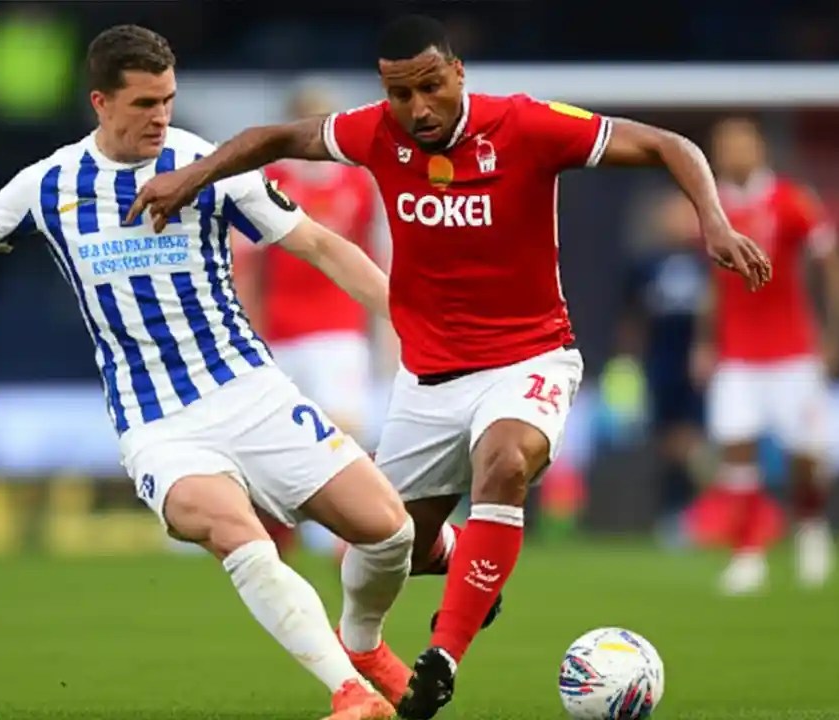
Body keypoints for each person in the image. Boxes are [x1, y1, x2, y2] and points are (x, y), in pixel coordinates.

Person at [125, 16, 771, 719]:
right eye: (401, 94)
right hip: (427, 381)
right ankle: (374, 633)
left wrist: (712, 218)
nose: (419, 109)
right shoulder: (376, 132)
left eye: (431, 87)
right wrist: (193, 174)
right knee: (377, 543)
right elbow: (271, 139)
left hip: (530, 356)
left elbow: (666, 144)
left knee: (504, 461)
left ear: (458, 73)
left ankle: (445, 652)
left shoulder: (526, 126)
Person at [0, 25, 411, 720]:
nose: (160, 116)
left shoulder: (208, 164)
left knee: (389, 531)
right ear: (100, 103)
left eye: (168, 100)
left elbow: (322, 245)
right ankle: (352, 694)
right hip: (156, 421)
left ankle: (362, 642)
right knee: (238, 533)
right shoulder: (47, 185)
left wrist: (417, 321)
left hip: (251, 389)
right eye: (144, 103)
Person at [690, 117, 839, 595]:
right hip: (737, 357)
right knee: (736, 454)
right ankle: (748, 554)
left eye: (742, 143)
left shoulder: (791, 200)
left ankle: (811, 527)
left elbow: (835, 267)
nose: (734, 152)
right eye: (725, 146)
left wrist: (835, 334)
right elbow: (714, 285)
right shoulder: (711, 205)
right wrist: (704, 342)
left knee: (806, 455)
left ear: (760, 149)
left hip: (792, 354)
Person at [233, 81, 387, 559]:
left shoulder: (358, 183)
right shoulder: (272, 180)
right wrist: (246, 325)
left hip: (341, 330)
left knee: (342, 430)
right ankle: (285, 529)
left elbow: (377, 255)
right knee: (281, 436)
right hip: (281, 330)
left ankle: (348, 531)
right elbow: (247, 262)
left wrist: (387, 331)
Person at [621, 191, 711, 541]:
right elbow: (632, 318)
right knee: (666, 441)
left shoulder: (708, 262)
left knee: (691, 440)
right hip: (660, 362)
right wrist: (631, 358)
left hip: (695, 361)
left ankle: (689, 513)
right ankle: (672, 514)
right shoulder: (646, 265)